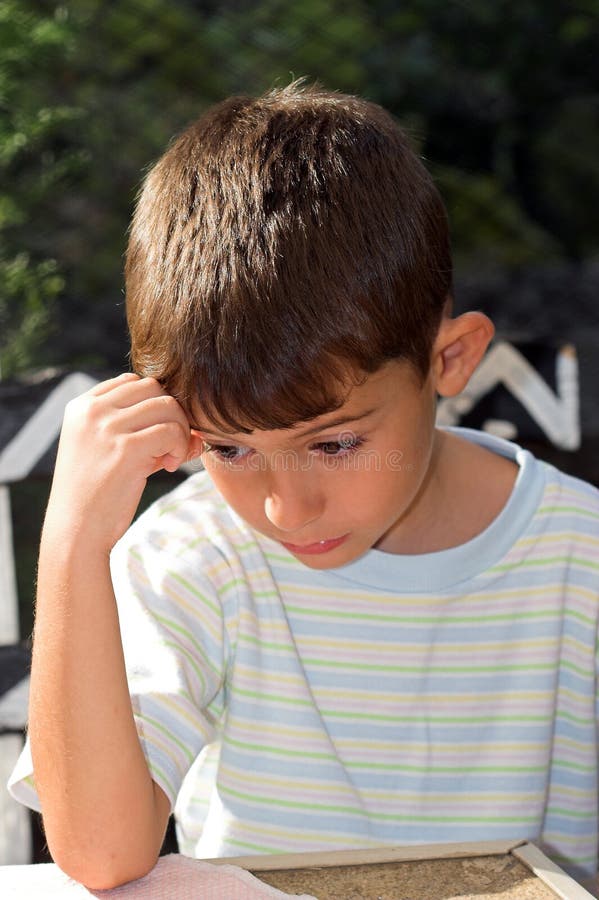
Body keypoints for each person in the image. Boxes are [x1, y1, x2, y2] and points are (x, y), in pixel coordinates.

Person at [8, 82, 599, 891]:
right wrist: (74, 536)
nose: (284, 510)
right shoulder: (195, 558)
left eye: (335, 443)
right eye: (228, 447)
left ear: (449, 361)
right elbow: (103, 856)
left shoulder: (582, 557)